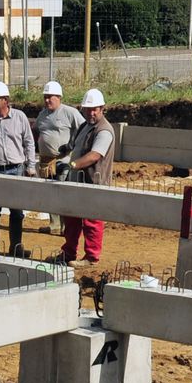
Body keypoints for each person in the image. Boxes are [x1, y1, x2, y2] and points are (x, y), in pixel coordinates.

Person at [0, 80, 37, 256]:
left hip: (16, 169)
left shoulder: (20, 117)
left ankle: (16, 247)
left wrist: (31, 166)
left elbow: (29, 142)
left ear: (5, 100)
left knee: (16, 211)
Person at [56, 88, 113, 266]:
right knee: (71, 218)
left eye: (95, 109)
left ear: (103, 108)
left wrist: (72, 165)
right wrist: (65, 149)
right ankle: (69, 252)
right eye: (88, 109)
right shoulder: (84, 126)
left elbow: (95, 155)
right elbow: (74, 144)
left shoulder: (104, 130)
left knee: (92, 220)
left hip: (94, 182)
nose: (91, 112)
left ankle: (91, 258)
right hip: (78, 181)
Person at [31, 79, 78, 181]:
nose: (47, 100)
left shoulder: (69, 112)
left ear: (59, 97)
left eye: (49, 97)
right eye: (45, 97)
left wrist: (72, 142)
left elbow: (84, 127)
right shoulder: (42, 114)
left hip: (63, 163)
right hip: (45, 164)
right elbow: (34, 130)